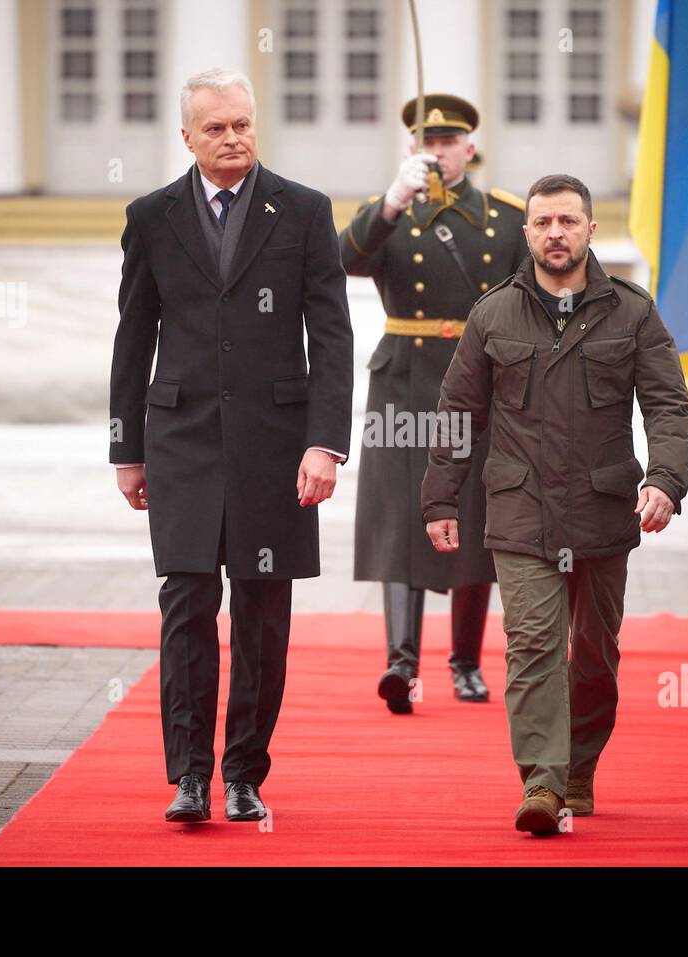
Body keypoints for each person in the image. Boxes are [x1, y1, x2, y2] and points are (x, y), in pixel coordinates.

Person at [109, 68, 352, 824]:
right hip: (180, 444)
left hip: (276, 451)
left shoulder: (304, 211)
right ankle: (188, 775)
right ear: (187, 137)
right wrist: (126, 449)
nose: (233, 138)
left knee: (261, 616)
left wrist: (325, 444)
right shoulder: (152, 217)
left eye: (242, 123)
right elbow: (132, 338)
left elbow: (332, 335)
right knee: (186, 606)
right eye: (215, 128)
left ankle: (244, 772)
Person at [421, 173, 688, 834]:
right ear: (527, 233)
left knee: (594, 652)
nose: (556, 233)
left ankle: (579, 765)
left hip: (603, 507)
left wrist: (665, 479)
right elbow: (458, 412)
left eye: (568, 221)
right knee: (533, 643)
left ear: (591, 229)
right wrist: (440, 498)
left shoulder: (632, 312)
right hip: (520, 507)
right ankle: (542, 781)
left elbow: (666, 404)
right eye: (543, 222)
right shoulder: (493, 314)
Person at [341, 94, 528, 713]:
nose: (439, 151)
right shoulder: (390, 213)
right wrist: (392, 201)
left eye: (450, 142)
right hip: (402, 382)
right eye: (429, 142)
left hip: (479, 382)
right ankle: (400, 662)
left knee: (475, 516)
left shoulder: (505, 218)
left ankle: (466, 662)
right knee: (400, 518)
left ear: (469, 148)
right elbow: (343, 259)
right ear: (412, 149)